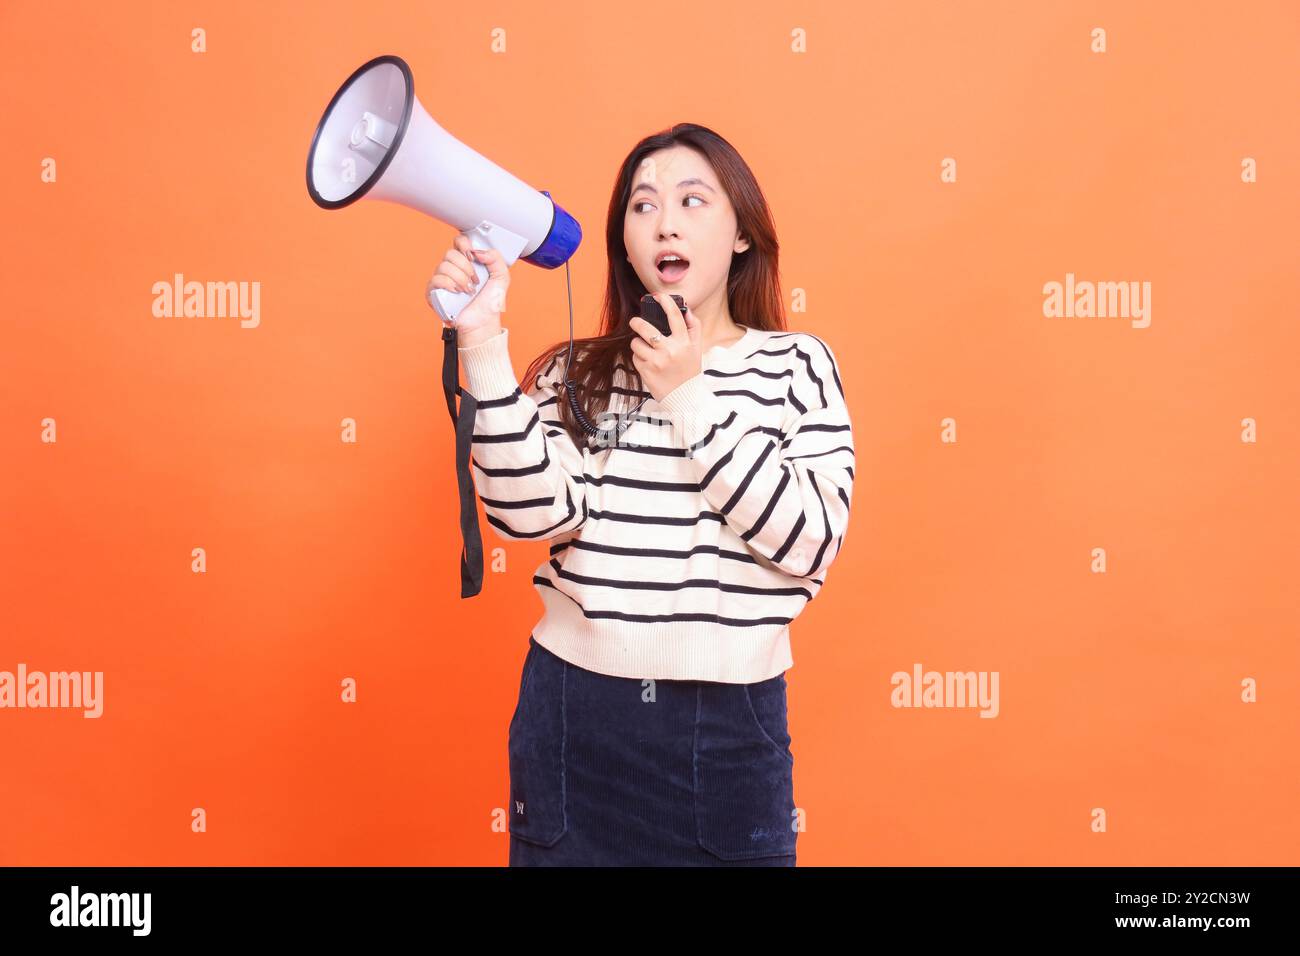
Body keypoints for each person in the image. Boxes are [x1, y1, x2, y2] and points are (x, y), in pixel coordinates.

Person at [427, 123, 855, 866]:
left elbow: (810, 538)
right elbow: (527, 515)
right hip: (574, 717)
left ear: (743, 235)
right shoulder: (578, 370)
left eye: (694, 200)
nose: (665, 221)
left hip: (728, 730)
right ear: (625, 243)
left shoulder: (797, 364)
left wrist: (689, 395)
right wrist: (482, 341)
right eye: (643, 205)